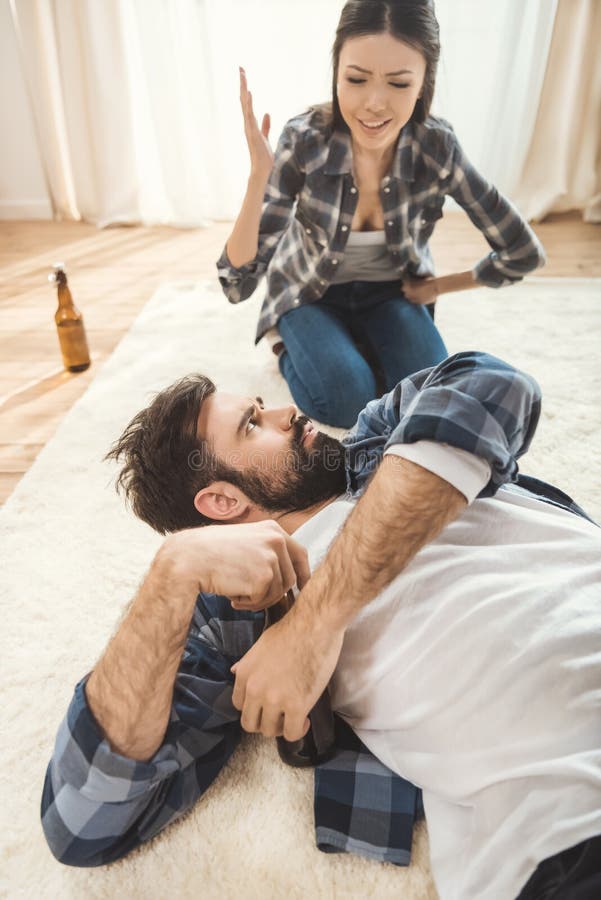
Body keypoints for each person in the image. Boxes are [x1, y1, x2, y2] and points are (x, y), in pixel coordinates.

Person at [41, 351, 601, 899]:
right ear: (222, 501)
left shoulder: (385, 437)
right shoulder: (236, 616)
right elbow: (81, 822)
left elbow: (495, 383)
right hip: (566, 828)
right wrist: (170, 575)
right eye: (254, 424)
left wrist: (314, 623)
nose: (287, 412)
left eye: (262, 405)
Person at [217, 0, 546, 428]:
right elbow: (238, 283)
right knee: (346, 399)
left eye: (398, 83)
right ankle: (287, 346)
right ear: (336, 71)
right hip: (310, 294)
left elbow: (522, 251)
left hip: (392, 293)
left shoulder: (436, 148)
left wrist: (441, 286)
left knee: (426, 397)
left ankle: (353, 344)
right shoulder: (304, 140)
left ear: (424, 82)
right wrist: (258, 177)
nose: (374, 103)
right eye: (356, 79)